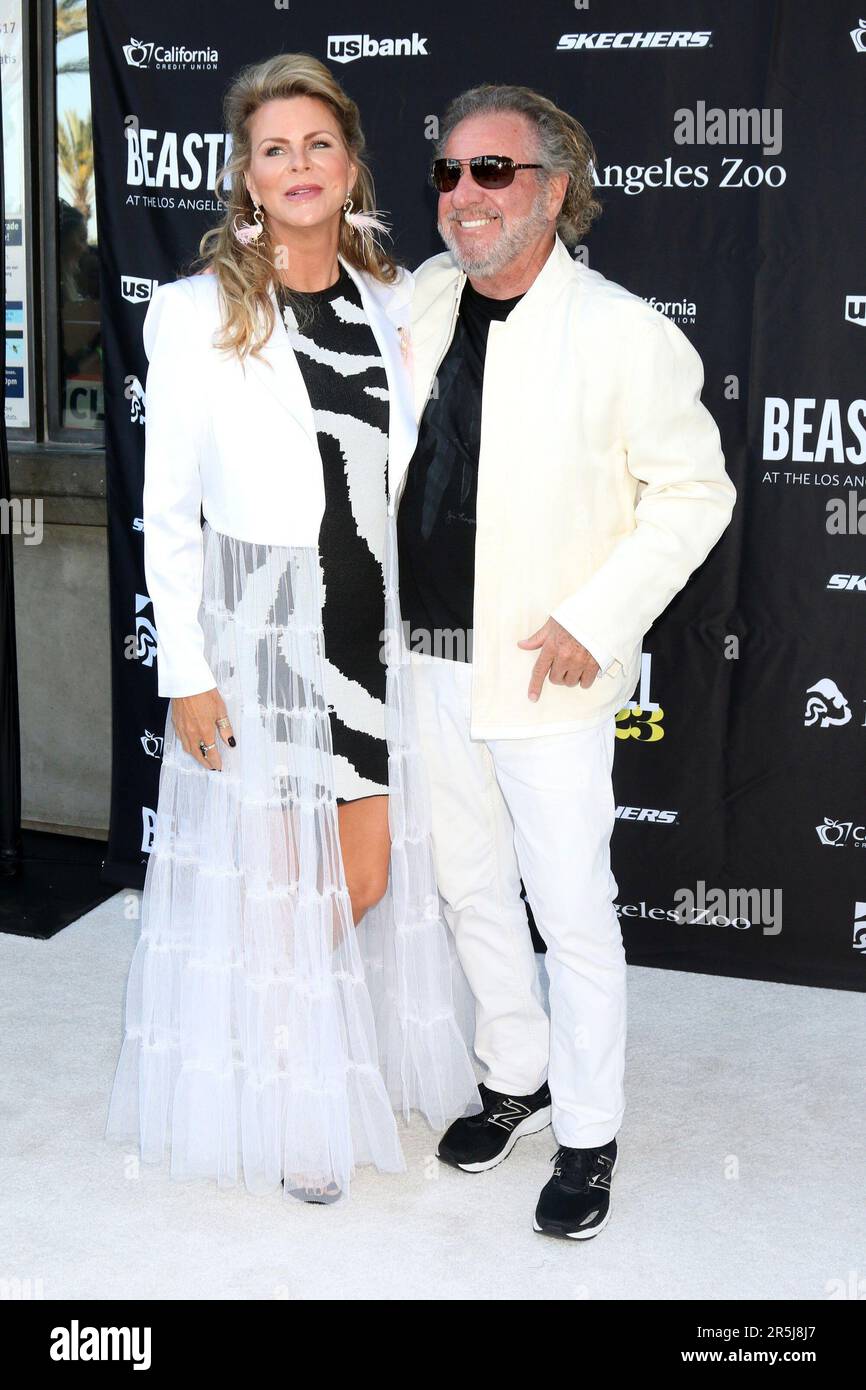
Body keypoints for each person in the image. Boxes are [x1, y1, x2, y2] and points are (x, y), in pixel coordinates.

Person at [104, 53, 479, 1207]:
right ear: (246, 178)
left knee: (357, 873)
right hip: (262, 619)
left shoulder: (390, 295)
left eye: (319, 144)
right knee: (278, 875)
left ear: (351, 162)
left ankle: (266, 1040)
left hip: (371, 625)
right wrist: (189, 670)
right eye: (275, 149)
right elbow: (166, 513)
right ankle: (282, 1088)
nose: (299, 165)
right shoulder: (193, 309)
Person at [397, 84, 737, 1239]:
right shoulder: (424, 300)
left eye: (490, 172)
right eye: (446, 174)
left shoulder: (624, 333)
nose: (461, 196)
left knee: (571, 908)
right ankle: (515, 1076)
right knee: (467, 885)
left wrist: (598, 616)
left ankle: (587, 1134)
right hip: (427, 656)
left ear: (553, 190)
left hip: (545, 671)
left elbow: (694, 492)